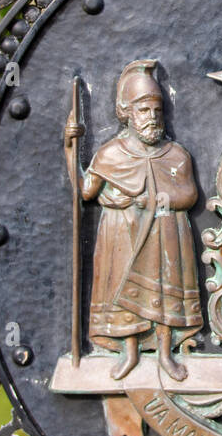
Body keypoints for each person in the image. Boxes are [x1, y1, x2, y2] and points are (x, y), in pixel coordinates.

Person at [65, 59, 202, 382]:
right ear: (126, 113)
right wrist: (71, 150)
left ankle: (166, 354)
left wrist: (157, 200)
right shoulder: (110, 155)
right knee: (122, 291)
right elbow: (86, 191)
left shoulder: (176, 155)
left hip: (165, 236)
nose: (152, 118)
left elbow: (190, 195)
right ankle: (130, 353)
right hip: (121, 236)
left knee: (165, 295)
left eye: (157, 111)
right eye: (144, 111)